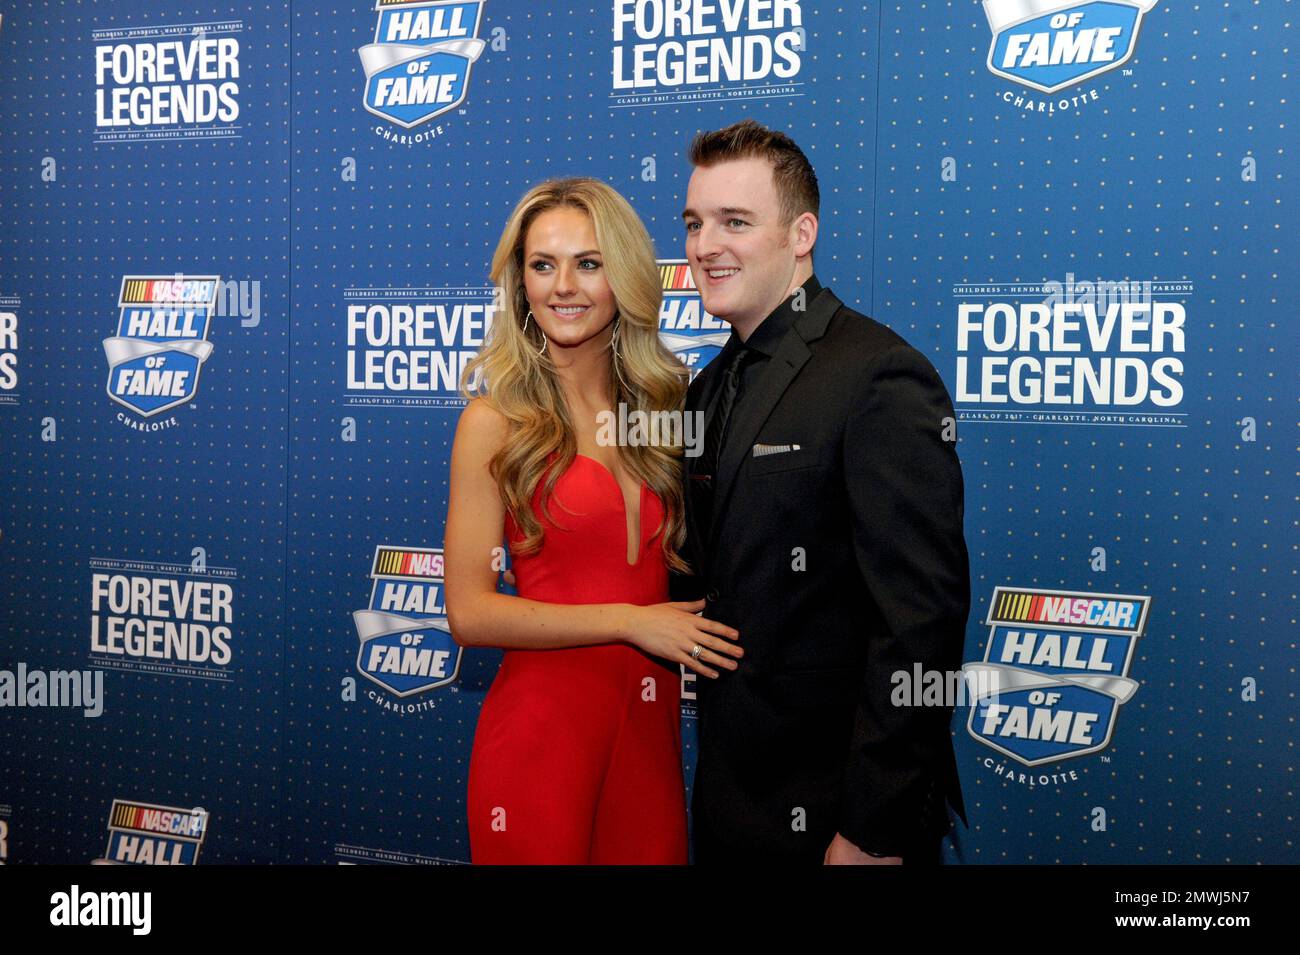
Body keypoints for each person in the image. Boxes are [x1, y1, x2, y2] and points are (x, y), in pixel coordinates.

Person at [674, 120, 971, 865]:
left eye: (735, 221)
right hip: (729, 802)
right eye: (695, 223)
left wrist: (875, 827)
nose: (706, 245)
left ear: (801, 234)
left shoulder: (877, 374)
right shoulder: (706, 389)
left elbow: (921, 622)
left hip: (844, 816)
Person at [444, 177, 743, 864]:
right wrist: (632, 621)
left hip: (648, 739)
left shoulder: (663, 412)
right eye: (541, 265)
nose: (563, 286)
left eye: (588, 263)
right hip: (541, 740)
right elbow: (470, 613)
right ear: (520, 283)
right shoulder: (495, 423)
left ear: (624, 276)